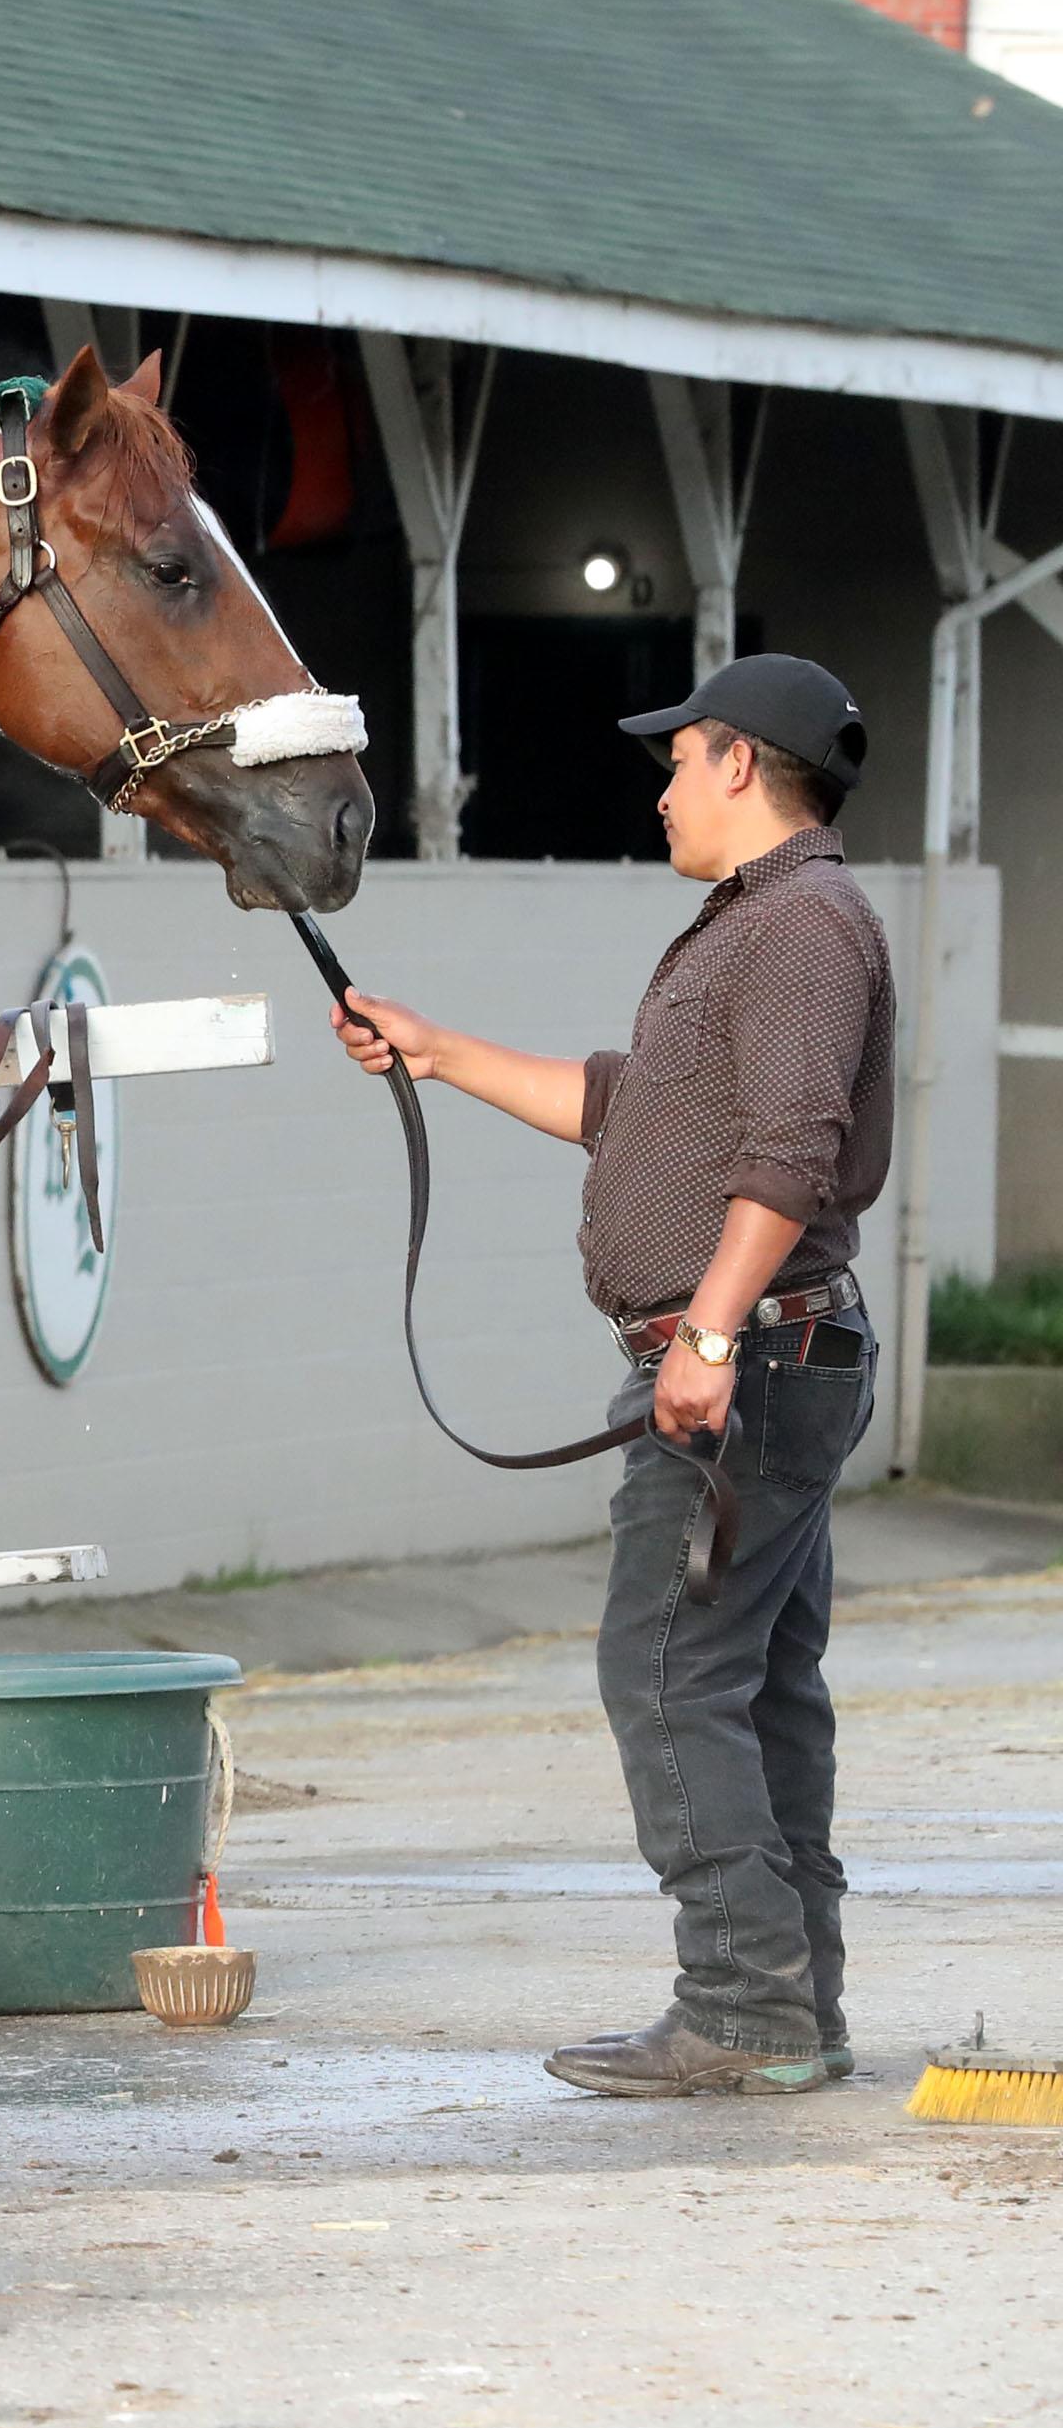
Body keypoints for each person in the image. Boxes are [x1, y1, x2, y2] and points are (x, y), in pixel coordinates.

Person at [330, 655, 888, 2098]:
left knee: (664, 1674)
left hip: (751, 1362)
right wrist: (436, 1052)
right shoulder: (763, 923)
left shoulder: (799, 927)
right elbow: (630, 1110)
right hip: (774, 1352)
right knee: (755, 1687)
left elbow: (792, 1153)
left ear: (740, 763)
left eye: (679, 762)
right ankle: (791, 2010)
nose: (662, 793)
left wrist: (707, 1333)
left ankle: (746, 2009)